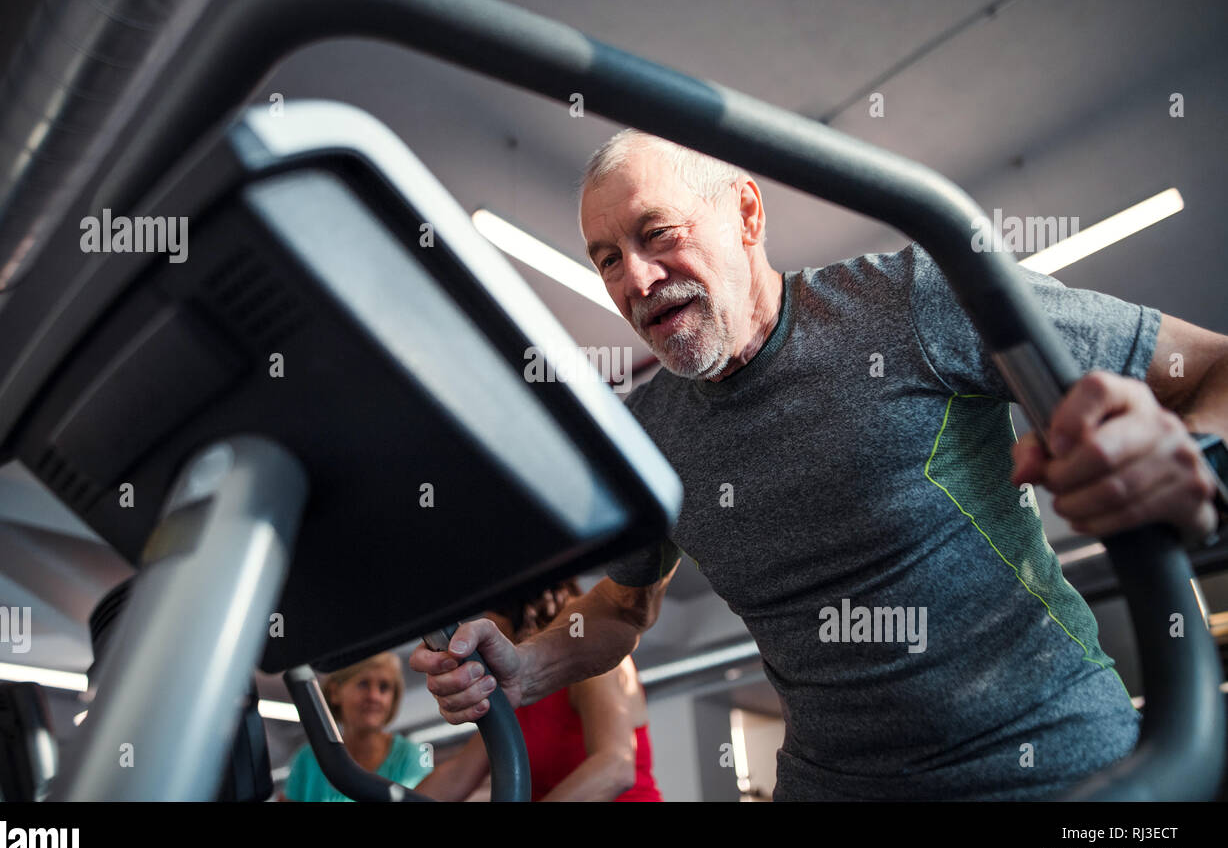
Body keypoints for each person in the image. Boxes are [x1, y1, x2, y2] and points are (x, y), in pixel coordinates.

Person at [412, 129, 1228, 801]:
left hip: (1049, 761)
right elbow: (625, 609)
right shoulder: (647, 432)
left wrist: (1186, 456)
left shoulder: (914, 299)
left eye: (656, 235)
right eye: (607, 259)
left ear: (745, 212)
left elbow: (1213, 370)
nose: (637, 279)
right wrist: (529, 665)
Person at [415, 580, 663, 802]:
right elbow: (459, 772)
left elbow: (616, 768)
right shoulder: (519, 691)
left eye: (493, 614)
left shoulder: (593, 659)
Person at [280, 652, 429, 800]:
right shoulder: (306, 760)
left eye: (384, 687)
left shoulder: (411, 756)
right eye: (363, 684)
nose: (374, 696)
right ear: (335, 692)